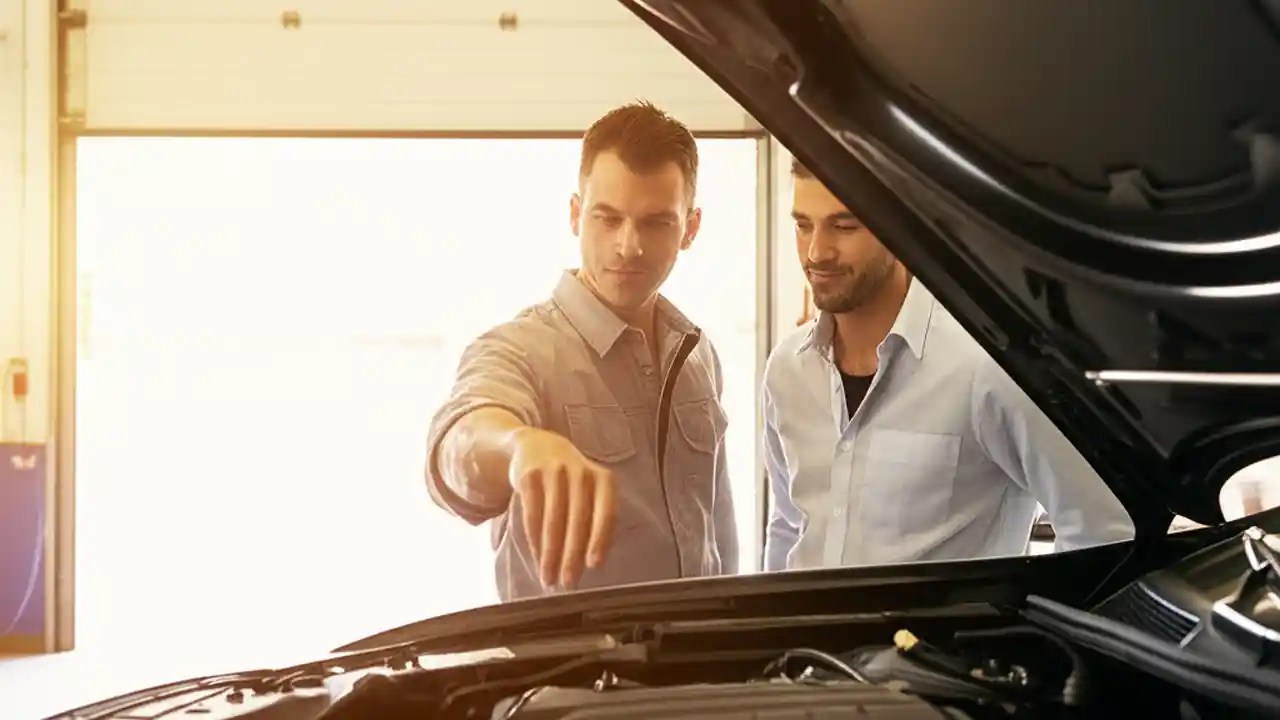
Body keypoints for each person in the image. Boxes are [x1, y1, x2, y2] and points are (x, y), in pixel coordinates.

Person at [426, 101, 737, 601]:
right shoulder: (519, 348)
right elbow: (454, 449)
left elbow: (717, 536)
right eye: (607, 218)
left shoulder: (699, 355)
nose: (628, 246)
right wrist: (518, 447)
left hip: (702, 668)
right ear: (575, 215)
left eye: (656, 222)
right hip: (566, 676)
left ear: (691, 228)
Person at [763, 159, 1134, 572]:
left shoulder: (989, 366)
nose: (817, 252)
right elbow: (788, 528)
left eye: (844, 226)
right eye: (803, 225)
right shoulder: (786, 371)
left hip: (945, 638)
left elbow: (1103, 531)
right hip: (805, 637)